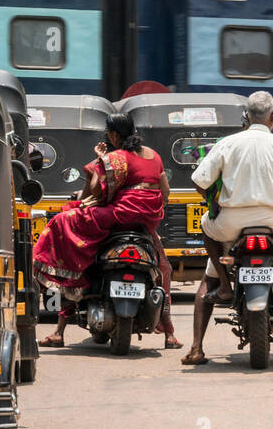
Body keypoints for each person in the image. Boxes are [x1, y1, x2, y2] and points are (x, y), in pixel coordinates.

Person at [181, 91, 273, 365]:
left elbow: (200, 181)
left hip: (231, 225)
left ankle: (202, 336)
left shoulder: (228, 144)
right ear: (272, 117)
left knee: (206, 230)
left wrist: (215, 202)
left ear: (247, 116)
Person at [34, 113, 179, 348]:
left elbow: (96, 194)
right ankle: (169, 334)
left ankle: (60, 331)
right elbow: (165, 192)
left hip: (117, 218)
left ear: (112, 135)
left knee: (62, 225)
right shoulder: (154, 155)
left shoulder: (114, 158)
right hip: (146, 223)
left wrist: (100, 160)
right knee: (163, 268)